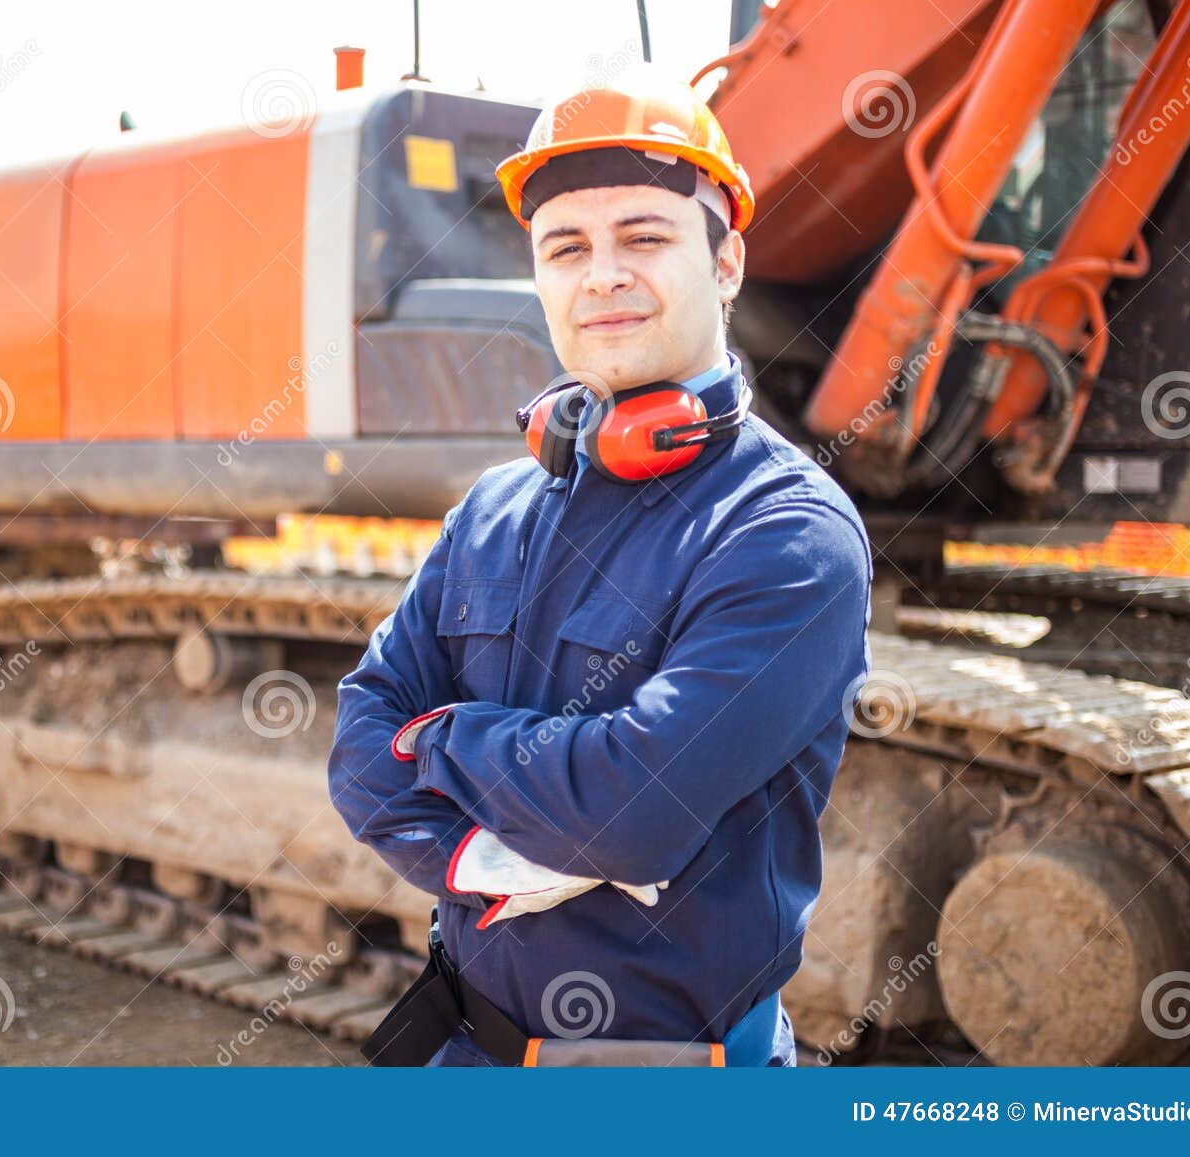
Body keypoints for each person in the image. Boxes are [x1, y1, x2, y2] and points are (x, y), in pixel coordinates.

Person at [326, 63, 872, 1067]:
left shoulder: (785, 533)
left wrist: (440, 737)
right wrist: (474, 852)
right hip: (456, 1050)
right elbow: (357, 745)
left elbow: (628, 810)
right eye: (565, 247)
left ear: (726, 263)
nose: (601, 274)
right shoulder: (492, 506)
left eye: (645, 237)